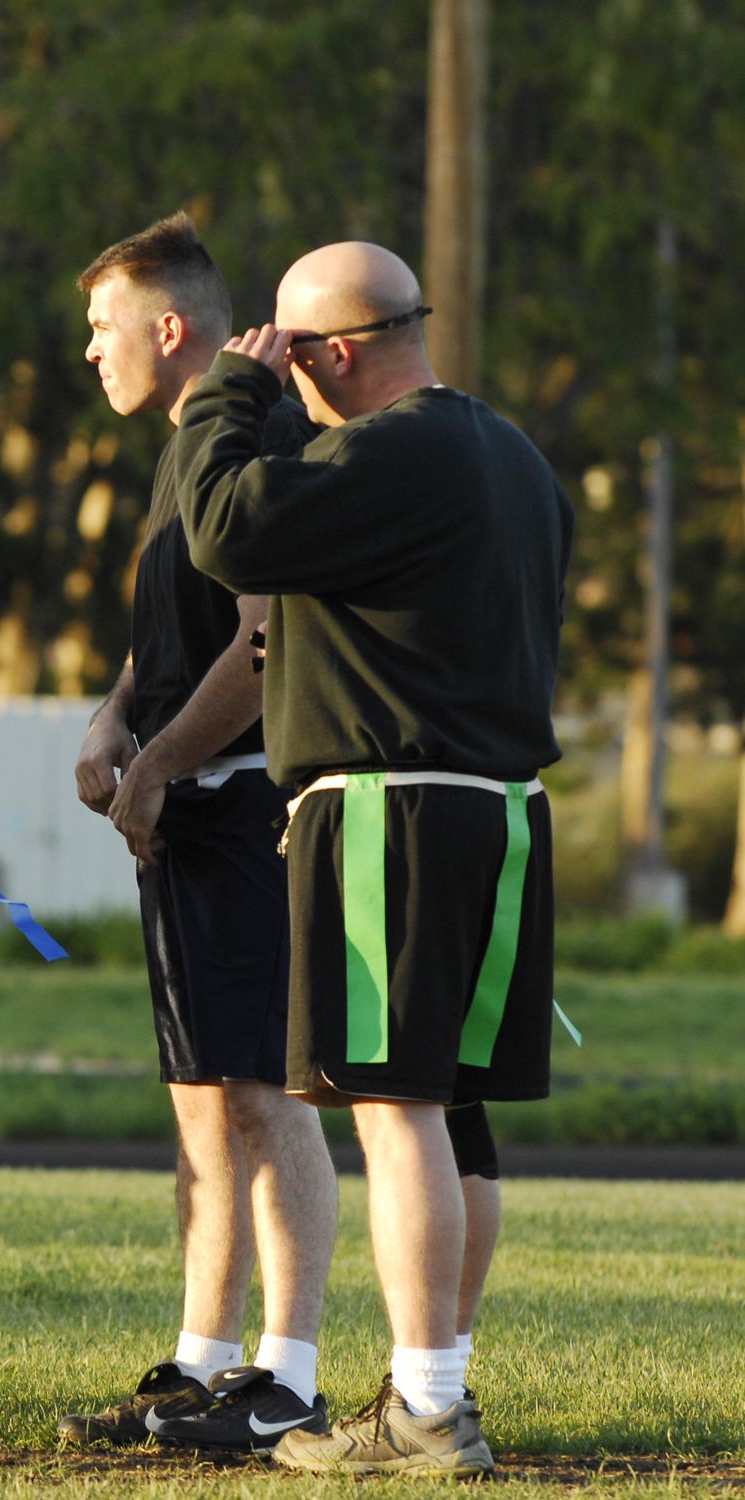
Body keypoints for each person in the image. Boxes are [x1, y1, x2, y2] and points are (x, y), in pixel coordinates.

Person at [177, 241, 569, 1476]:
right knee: (454, 1117)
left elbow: (227, 533)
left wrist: (223, 401)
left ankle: (428, 1412)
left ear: (330, 352)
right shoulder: (514, 455)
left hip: (389, 809)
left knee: (395, 1113)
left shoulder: (384, 449)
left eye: (287, 354)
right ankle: (438, 1381)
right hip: (502, 806)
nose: (279, 376)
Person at [61, 213, 340, 1453]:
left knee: (270, 1100)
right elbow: (176, 631)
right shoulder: (185, 445)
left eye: (101, 328)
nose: (90, 352)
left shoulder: (255, 433)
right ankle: (203, 1362)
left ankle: (285, 1377)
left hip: (244, 811)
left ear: (169, 328)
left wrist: (160, 766)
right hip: (186, 800)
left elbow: (263, 636)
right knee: (200, 1101)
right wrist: (115, 717)